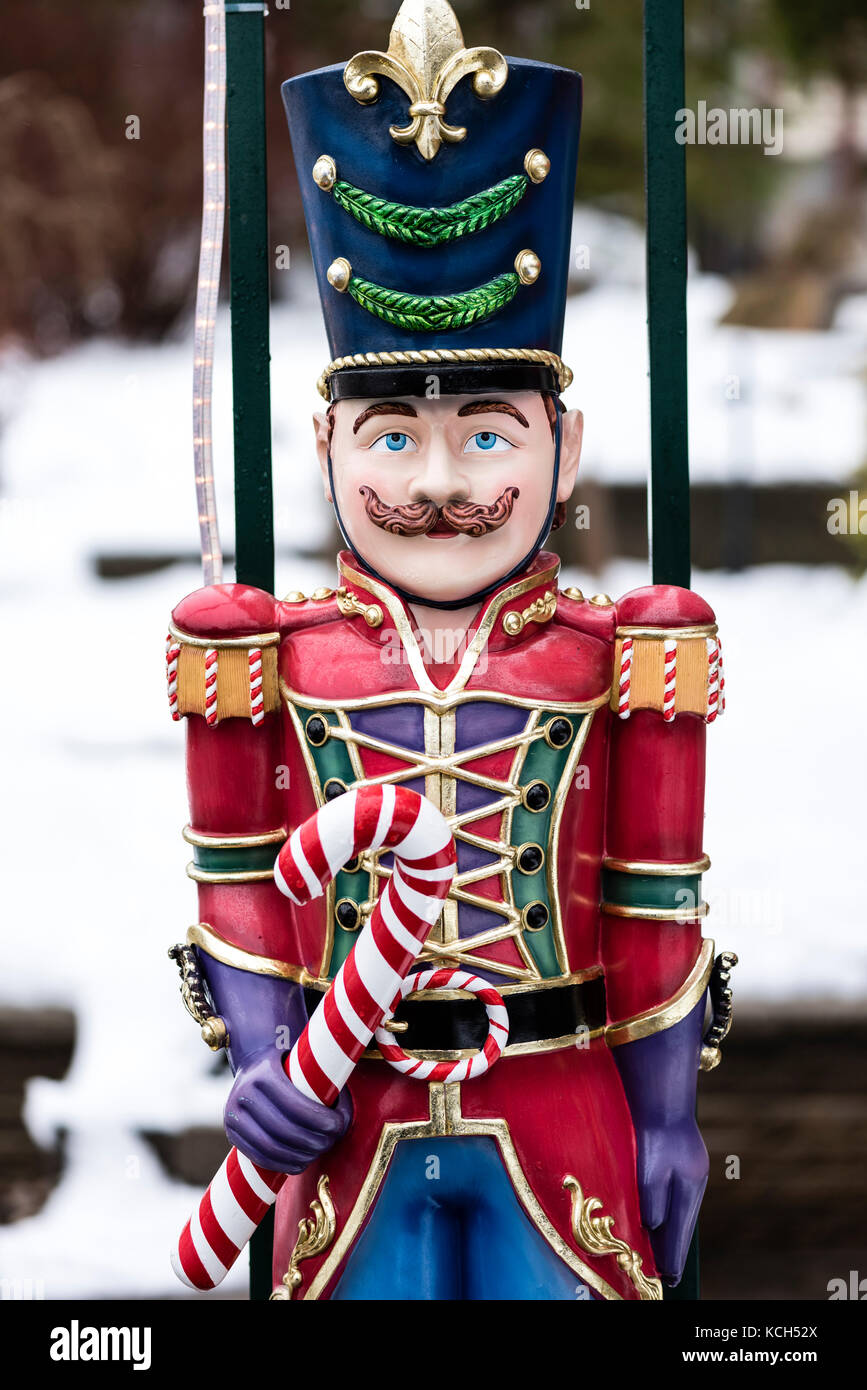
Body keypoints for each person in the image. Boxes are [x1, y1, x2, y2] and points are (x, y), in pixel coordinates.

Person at [167, 0, 727, 1300]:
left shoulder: (619, 655)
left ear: (562, 452)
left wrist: (673, 1113)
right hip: (348, 1132)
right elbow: (242, 882)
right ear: (325, 453)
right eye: (391, 439)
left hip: (564, 1116)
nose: (439, 483)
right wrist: (263, 1059)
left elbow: (652, 899)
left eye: (488, 435)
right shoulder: (270, 656)